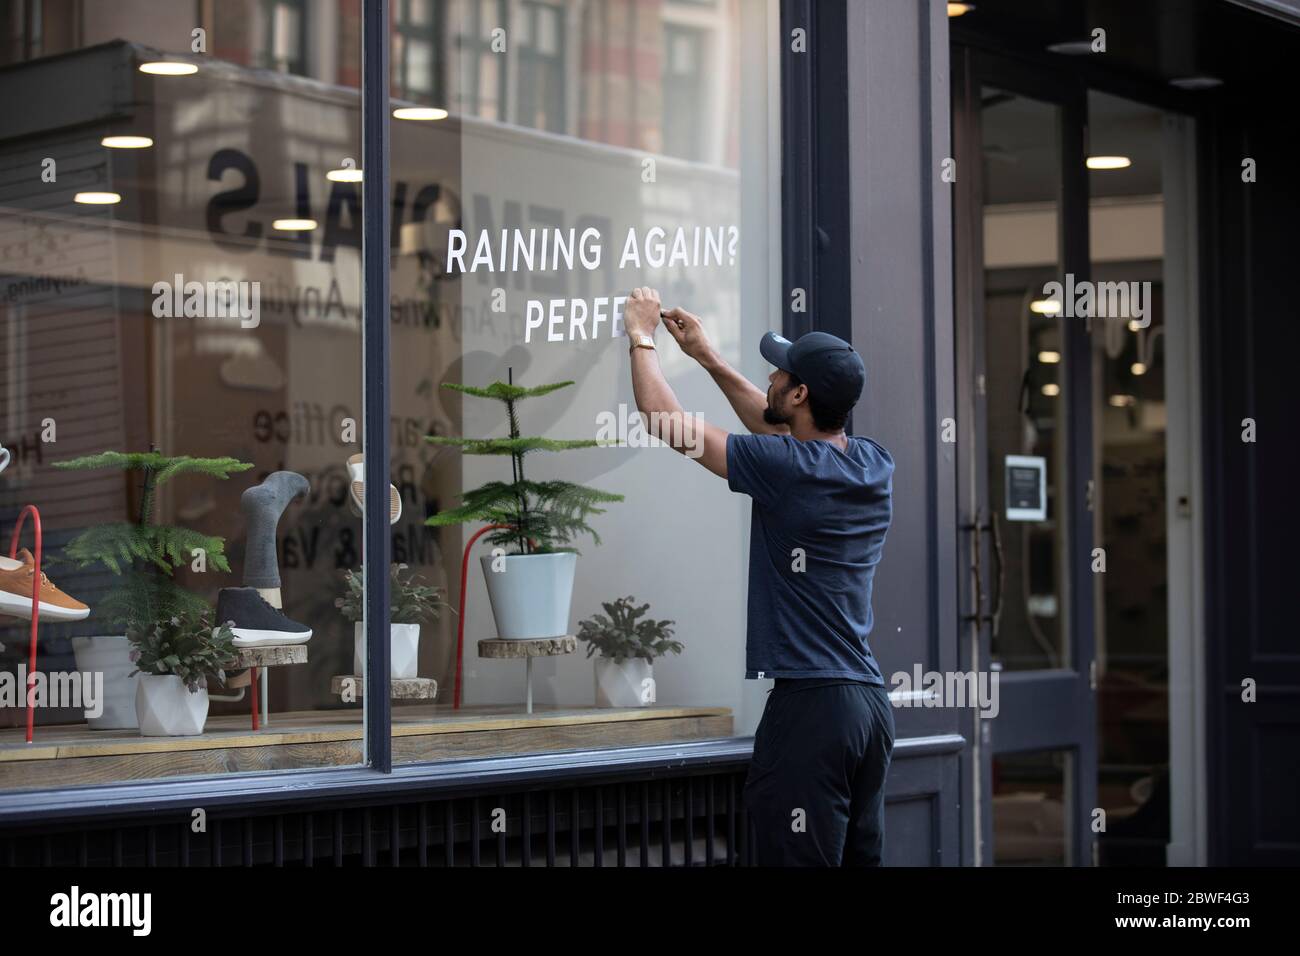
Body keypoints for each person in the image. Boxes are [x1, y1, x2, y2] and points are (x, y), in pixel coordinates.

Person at [622, 286, 896, 866]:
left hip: (813, 710)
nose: (770, 376)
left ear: (799, 392)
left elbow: (665, 421)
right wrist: (708, 357)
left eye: (780, 373)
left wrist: (641, 336)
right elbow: (778, 428)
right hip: (869, 710)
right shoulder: (872, 463)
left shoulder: (787, 468)